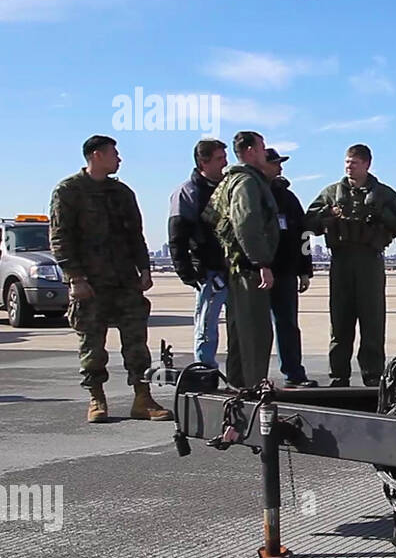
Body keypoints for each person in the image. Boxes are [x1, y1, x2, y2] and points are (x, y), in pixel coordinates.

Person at [49, 135, 172, 423]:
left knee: (137, 343)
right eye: (114, 153)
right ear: (96, 155)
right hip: (90, 284)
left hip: (124, 281)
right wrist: (75, 278)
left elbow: (135, 234)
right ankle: (97, 399)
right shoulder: (68, 191)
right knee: (92, 344)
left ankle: (143, 399)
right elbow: (59, 238)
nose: (119, 159)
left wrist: (144, 269)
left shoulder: (122, 193)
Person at [304, 144, 396, 387]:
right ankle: (338, 374)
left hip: (369, 260)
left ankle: (373, 374)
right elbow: (308, 223)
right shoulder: (332, 193)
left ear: (367, 164)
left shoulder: (383, 194)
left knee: (372, 319)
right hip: (341, 260)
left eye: (354, 162)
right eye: (347, 162)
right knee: (340, 320)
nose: (349, 167)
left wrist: (382, 214)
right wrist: (328, 215)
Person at [205, 131, 279, 389]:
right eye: (261, 147)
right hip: (248, 270)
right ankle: (252, 389)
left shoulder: (231, 181)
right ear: (249, 151)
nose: (264, 152)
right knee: (256, 334)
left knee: (240, 335)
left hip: (238, 267)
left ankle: (238, 387)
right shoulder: (247, 182)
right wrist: (261, 263)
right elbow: (247, 224)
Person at [168, 138, 229, 370]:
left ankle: (238, 372)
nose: (225, 163)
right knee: (206, 324)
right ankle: (205, 369)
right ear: (204, 162)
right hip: (208, 270)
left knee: (239, 324)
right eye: (219, 159)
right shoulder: (187, 192)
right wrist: (187, 273)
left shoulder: (228, 188)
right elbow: (177, 236)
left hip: (232, 268)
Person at [263, 147, 316, 387]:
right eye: (275, 163)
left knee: (288, 326)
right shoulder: (252, 193)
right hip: (258, 273)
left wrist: (305, 270)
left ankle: (294, 373)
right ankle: (255, 377)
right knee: (258, 328)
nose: (280, 167)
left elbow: (304, 235)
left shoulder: (288, 198)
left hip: (285, 273)